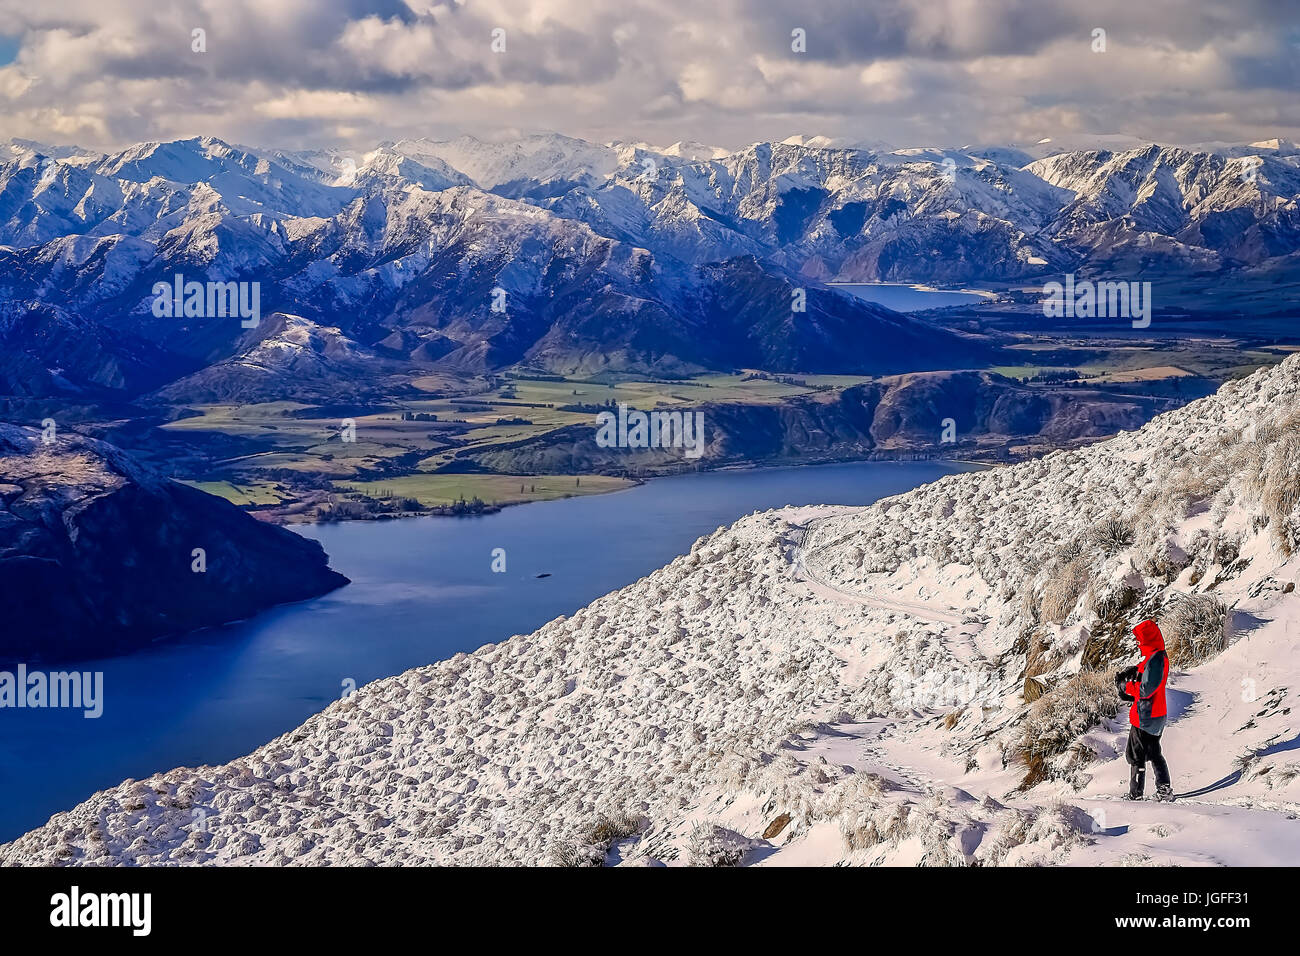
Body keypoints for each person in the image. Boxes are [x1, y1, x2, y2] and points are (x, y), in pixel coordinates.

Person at [1116, 619, 1173, 801]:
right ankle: (1163, 790)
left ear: (1148, 639)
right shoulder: (1156, 656)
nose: (1138, 643)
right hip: (1155, 713)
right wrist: (1134, 670)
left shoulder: (1155, 660)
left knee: (1136, 755)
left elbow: (1146, 689)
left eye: (1140, 640)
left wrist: (1126, 686)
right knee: (1154, 753)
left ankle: (1136, 794)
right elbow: (1146, 673)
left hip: (1146, 715)